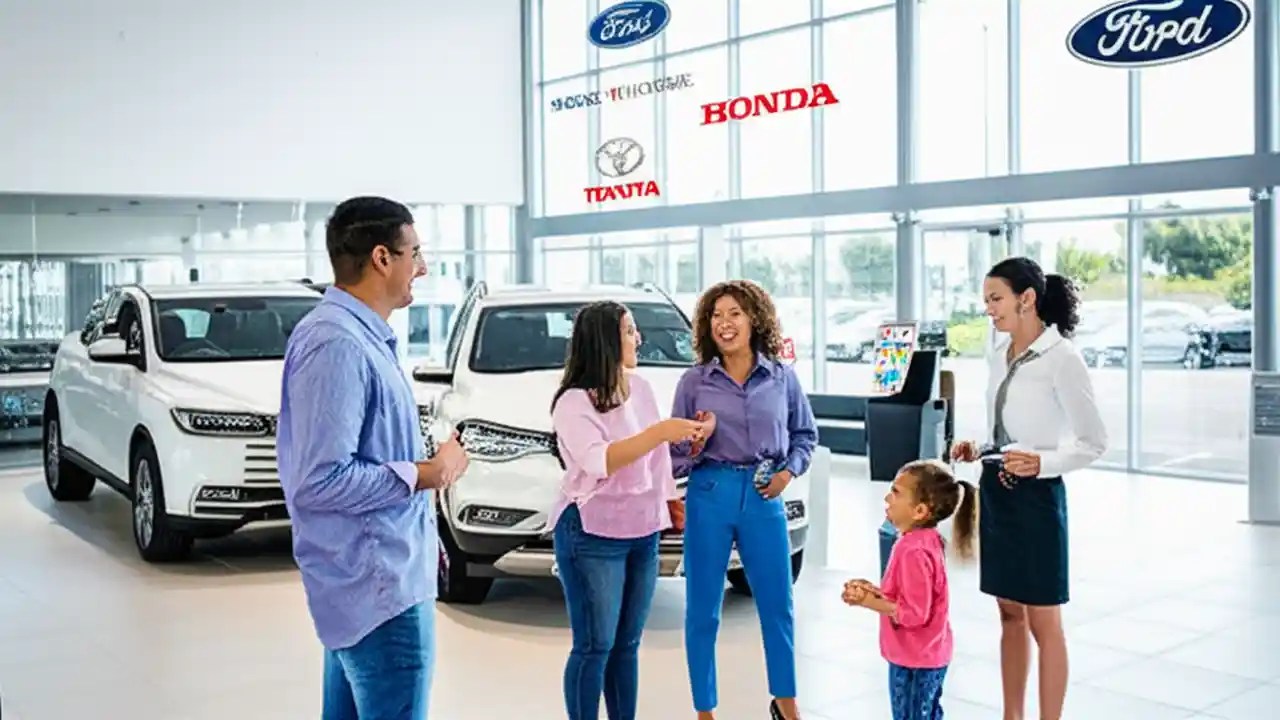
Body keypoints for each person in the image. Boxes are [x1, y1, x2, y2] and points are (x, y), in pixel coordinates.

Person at [277, 196, 470, 720]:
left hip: (372, 584)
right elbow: (318, 480)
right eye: (416, 253)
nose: (422, 267)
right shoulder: (336, 343)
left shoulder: (360, 336)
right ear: (382, 258)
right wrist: (426, 473)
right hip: (377, 592)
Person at [950, 256, 1107, 720]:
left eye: (995, 299)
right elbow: (1009, 430)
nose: (988, 309)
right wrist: (979, 447)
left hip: (1038, 500)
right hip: (997, 492)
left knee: (1044, 622)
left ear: (1027, 299)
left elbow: (1094, 442)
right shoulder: (998, 355)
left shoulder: (1063, 358)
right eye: (985, 300)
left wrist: (1043, 463)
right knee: (1008, 615)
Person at [549, 301, 706, 720]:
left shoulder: (641, 389)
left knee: (627, 645)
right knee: (594, 645)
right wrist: (659, 432)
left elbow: (657, 461)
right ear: (604, 340)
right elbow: (599, 460)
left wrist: (670, 503)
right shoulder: (572, 402)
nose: (638, 339)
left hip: (642, 531)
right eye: (629, 331)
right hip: (591, 534)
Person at [670, 279, 819, 720]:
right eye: (717, 315)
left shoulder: (781, 378)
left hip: (763, 493)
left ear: (755, 319)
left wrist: (789, 472)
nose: (725, 323)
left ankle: (787, 703)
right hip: (710, 493)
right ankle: (704, 711)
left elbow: (805, 436)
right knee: (703, 610)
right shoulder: (694, 382)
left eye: (734, 313)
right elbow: (674, 456)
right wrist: (697, 439)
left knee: (777, 606)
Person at [841, 460, 978, 720]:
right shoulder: (926, 540)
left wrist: (869, 602)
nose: (887, 497)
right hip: (929, 655)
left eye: (896, 492)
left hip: (915, 660)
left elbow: (914, 614)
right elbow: (913, 595)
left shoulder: (912, 550)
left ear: (919, 510)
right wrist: (876, 591)